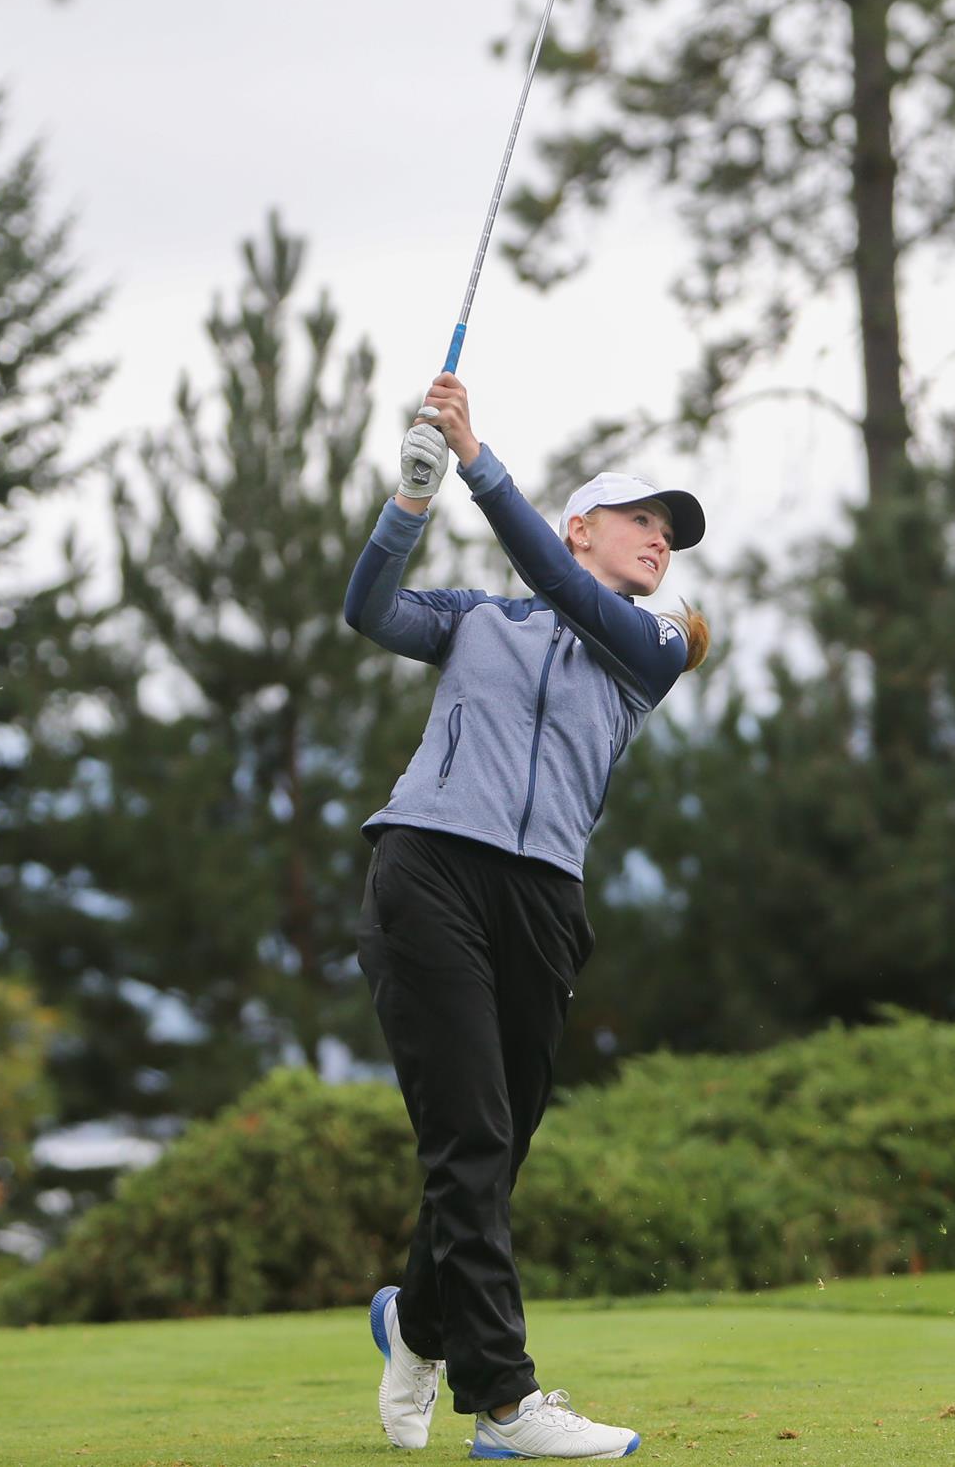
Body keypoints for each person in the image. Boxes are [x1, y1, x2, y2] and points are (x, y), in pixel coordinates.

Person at [344, 371, 709, 1460]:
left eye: (669, 532)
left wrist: (476, 460)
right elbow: (369, 609)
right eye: (641, 520)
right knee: (470, 1137)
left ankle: (412, 1322)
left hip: (545, 899)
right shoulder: (477, 623)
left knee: (491, 1153)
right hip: (431, 873)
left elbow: (548, 576)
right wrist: (407, 507)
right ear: (583, 524)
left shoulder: (651, 646)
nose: (659, 542)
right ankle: (504, 1405)